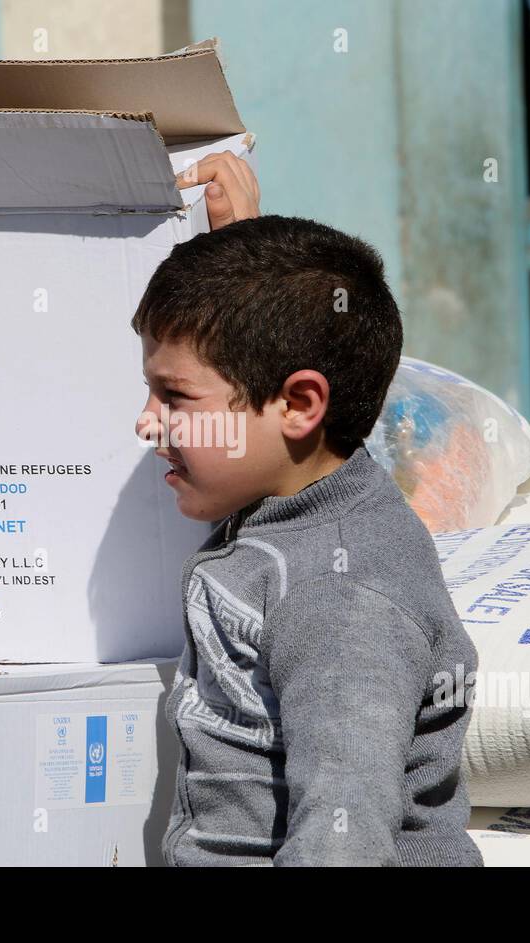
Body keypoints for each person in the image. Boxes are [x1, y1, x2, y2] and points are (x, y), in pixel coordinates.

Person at [132, 165, 482, 865]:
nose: (147, 425)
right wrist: (237, 244)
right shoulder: (289, 495)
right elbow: (266, 360)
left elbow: (342, 838)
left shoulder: (339, 600)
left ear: (298, 405)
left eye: (174, 397)